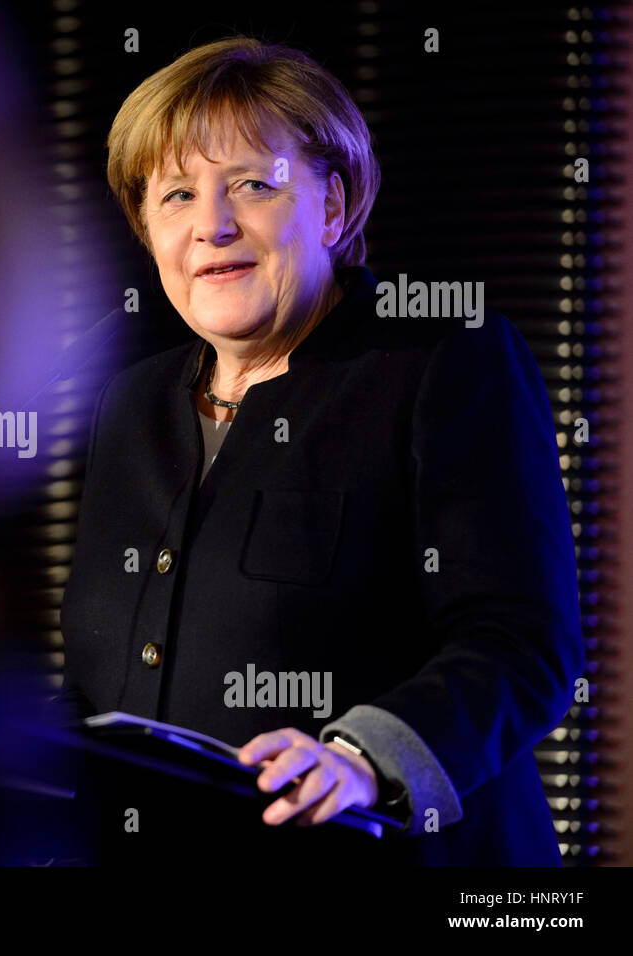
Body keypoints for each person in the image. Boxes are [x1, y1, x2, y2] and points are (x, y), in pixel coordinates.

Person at [55, 36, 584, 865]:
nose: (211, 226)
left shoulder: (442, 360)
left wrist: (360, 759)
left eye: (254, 186)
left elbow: (521, 642)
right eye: (177, 195)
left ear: (332, 207)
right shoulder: (130, 402)